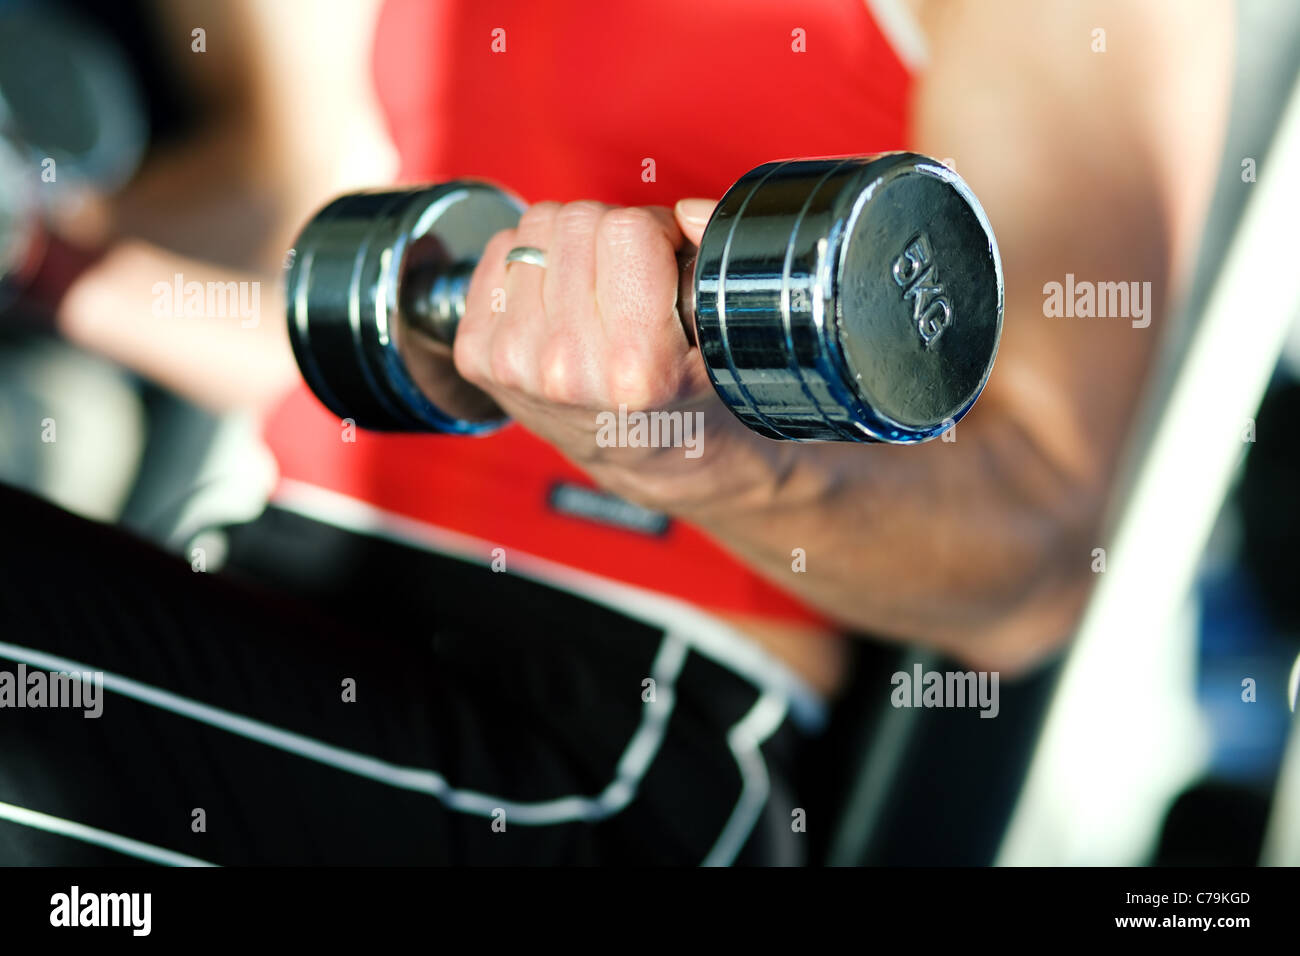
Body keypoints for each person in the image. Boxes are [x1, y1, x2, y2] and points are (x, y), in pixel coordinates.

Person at [0, 0, 1232, 864]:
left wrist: (695, 444)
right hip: (278, 596)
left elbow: (1026, 561)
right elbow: (324, 257)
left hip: (608, 750)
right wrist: (50, 262)